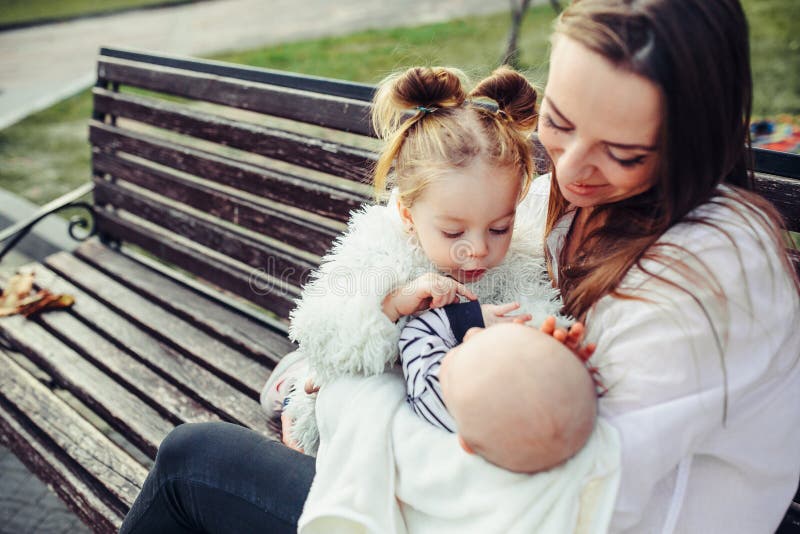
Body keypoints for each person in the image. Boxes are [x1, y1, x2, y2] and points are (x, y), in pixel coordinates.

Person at [119, 1, 800, 533]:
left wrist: (347, 394)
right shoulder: (564, 201)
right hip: (456, 482)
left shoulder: (712, 279)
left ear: (698, 138)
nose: (568, 166)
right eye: (558, 122)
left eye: (622, 153)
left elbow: (547, 498)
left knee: (192, 465)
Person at [261, 64, 566, 455]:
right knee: (308, 376)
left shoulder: (515, 261)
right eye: (453, 233)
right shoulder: (384, 248)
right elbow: (321, 329)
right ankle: (290, 381)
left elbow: (536, 318)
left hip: (426, 426)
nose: (476, 249)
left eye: (499, 228)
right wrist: (392, 305)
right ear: (407, 214)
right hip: (345, 417)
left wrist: (553, 343)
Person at [399, 303, 597, 473]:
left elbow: (414, 333)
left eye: (463, 349)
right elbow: (526, 389)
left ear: (465, 445)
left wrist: (470, 317)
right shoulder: (503, 441)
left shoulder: (431, 388)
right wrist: (556, 368)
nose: (471, 333)